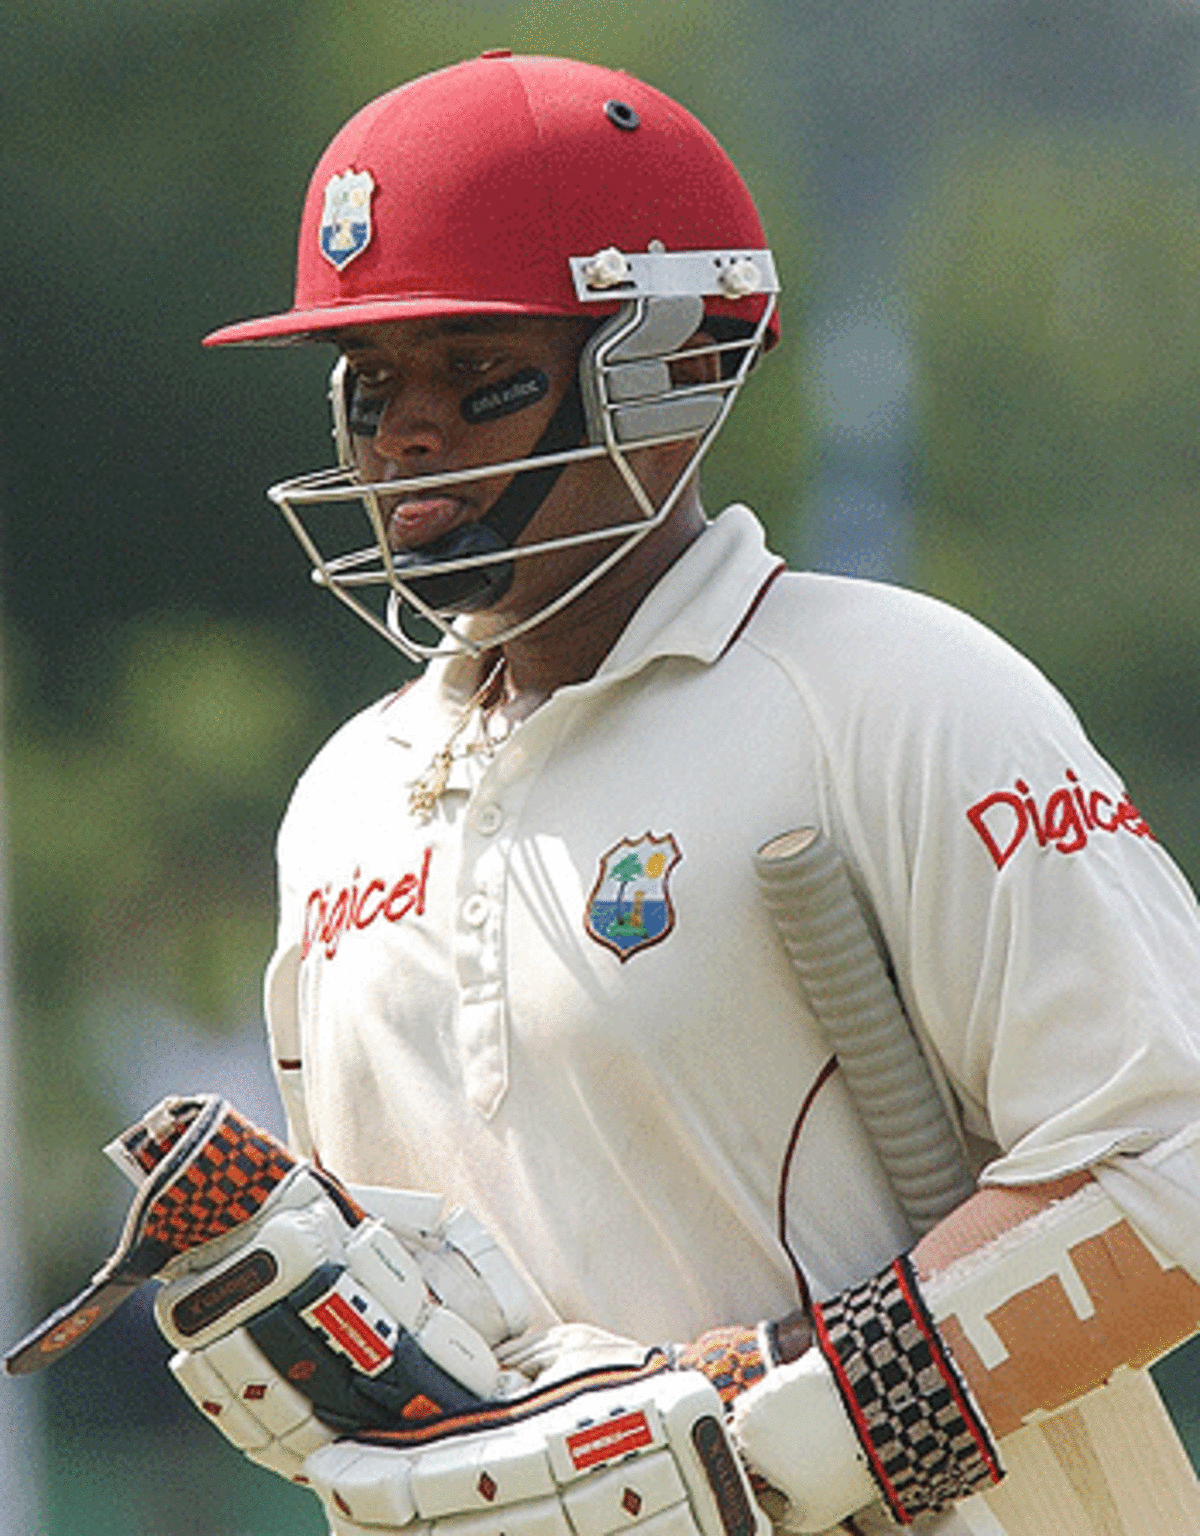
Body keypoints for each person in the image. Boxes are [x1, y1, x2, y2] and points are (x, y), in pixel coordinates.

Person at [19, 50, 1200, 1536]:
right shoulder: (345, 801)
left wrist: (785, 1415)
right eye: (371, 384)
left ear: (673, 363)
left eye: (475, 371)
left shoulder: (896, 694)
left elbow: (1167, 1169)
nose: (405, 437)